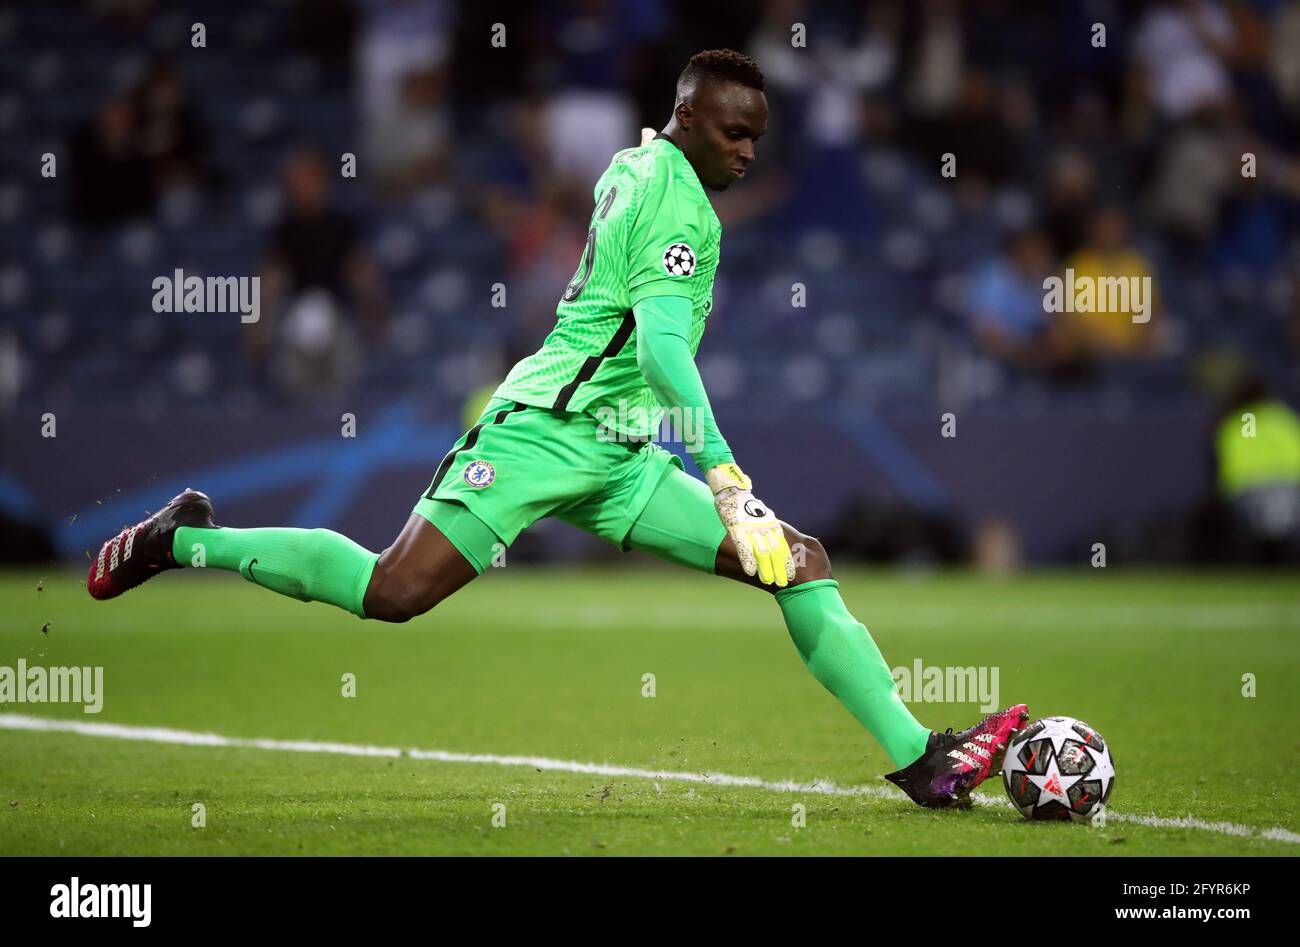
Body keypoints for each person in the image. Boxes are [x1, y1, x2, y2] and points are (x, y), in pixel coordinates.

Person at [86, 50, 1025, 809]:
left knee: (799, 561)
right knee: (393, 590)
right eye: (734, 132)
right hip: (543, 430)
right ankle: (187, 538)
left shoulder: (633, 163)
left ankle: (918, 759)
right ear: (689, 118)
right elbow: (662, 351)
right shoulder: (680, 205)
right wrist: (728, 476)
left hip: (619, 452)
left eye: (759, 137)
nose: (748, 152)